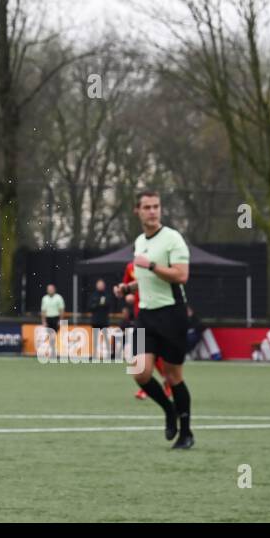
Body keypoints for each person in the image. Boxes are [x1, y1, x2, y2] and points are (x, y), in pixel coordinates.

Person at [128, 190, 194, 449]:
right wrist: (128, 288)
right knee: (138, 370)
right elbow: (146, 278)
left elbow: (181, 276)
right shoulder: (139, 241)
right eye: (147, 207)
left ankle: (186, 433)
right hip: (146, 314)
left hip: (172, 313)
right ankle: (169, 410)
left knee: (173, 375)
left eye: (156, 206)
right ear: (138, 211)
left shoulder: (172, 239)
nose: (152, 211)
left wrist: (152, 266)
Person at [116, 261, 169, 399]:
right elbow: (126, 286)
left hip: (158, 313)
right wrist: (125, 293)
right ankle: (149, 386)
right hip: (140, 316)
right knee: (141, 354)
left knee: (155, 354)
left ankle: (166, 382)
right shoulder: (130, 267)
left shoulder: (155, 264)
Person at [39, 283, 65, 359]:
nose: (50, 290)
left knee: (53, 336)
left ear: (54, 290)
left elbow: (61, 310)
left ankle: (53, 352)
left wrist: (60, 320)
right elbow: (43, 311)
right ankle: (52, 352)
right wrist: (44, 321)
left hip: (55, 318)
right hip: (48, 318)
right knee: (51, 336)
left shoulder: (58, 298)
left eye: (51, 289)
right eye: (49, 289)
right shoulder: (44, 298)